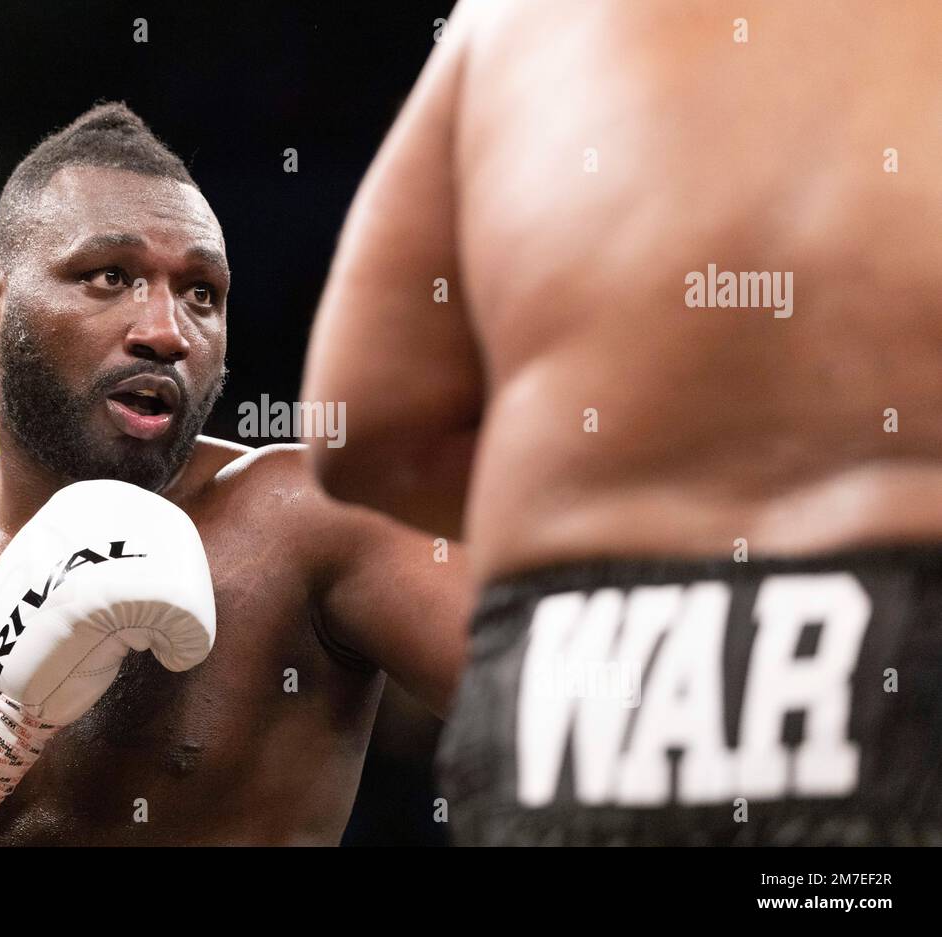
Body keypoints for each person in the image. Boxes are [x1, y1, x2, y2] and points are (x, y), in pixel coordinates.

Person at [0, 102, 472, 846]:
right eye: (109, 276)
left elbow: (566, 701)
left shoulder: (309, 520)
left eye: (202, 292)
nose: (167, 332)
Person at [301, 0, 942, 844]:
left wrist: (609, 512)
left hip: (587, 682)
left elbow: (362, 432)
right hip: (900, 641)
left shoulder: (508, 22)